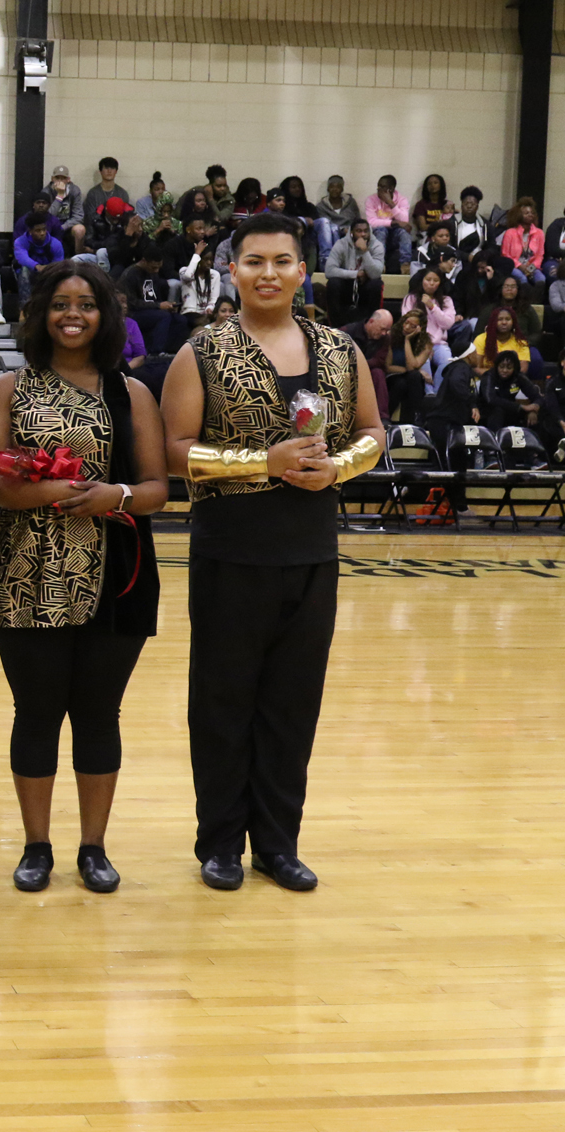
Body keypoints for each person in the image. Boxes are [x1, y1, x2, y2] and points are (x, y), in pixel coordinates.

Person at [160, 212, 385, 892]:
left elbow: (375, 430)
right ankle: (221, 842)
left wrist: (338, 469)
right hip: (232, 554)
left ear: (301, 270)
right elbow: (174, 454)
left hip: (312, 553)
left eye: (281, 261)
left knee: (294, 705)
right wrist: (263, 461)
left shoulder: (340, 351)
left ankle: (278, 843)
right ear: (232, 270)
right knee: (224, 704)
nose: (268, 273)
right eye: (254, 261)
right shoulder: (201, 351)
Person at [0, 261, 164, 893]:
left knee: (98, 713)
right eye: (60, 303)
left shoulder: (132, 393)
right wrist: (61, 491)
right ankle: (36, 846)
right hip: (25, 569)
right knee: (35, 711)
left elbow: (157, 489)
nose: (73, 314)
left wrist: (111, 496)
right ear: (39, 313)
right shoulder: (7, 388)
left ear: (105, 314)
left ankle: (94, 847)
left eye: (86, 303)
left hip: (118, 571)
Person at [117, 241, 184, 354]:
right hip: (134, 312)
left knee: (180, 319)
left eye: (158, 268)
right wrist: (158, 306)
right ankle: (155, 352)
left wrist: (167, 305)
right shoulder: (130, 275)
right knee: (163, 316)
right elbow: (132, 303)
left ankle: (172, 351)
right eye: (153, 267)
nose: (156, 271)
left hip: (151, 309)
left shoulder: (153, 273)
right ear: (144, 261)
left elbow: (154, 296)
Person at [402, 267, 457, 388]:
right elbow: (408, 323)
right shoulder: (410, 299)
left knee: (448, 364)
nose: (431, 283)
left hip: (439, 343)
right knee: (423, 361)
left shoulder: (446, 300)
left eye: (435, 280)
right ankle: (429, 394)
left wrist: (432, 307)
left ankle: (439, 394)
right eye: (428, 279)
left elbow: (448, 323)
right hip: (419, 342)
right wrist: (425, 344)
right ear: (422, 280)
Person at [323, 218, 384, 325]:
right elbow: (329, 271)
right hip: (347, 283)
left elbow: (375, 274)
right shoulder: (341, 244)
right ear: (351, 233)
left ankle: (372, 325)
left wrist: (365, 251)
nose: (363, 234)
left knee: (376, 284)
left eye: (365, 231)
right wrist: (355, 274)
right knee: (333, 283)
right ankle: (336, 327)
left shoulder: (377, 246)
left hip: (366, 284)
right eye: (359, 231)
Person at [383, 307, 433, 422]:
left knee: (414, 377)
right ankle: (386, 418)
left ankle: (415, 419)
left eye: (413, 326)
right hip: (393, 376)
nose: (406, 327)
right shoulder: (391, 336)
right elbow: (388, 367)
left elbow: (412, 367)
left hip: (411, 377)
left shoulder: (426, 342)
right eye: (406, 323)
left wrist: (407, 341)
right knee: (402, 383)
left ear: (420, 329)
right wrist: (407, 370)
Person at [13, 211, 65, 310]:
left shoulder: (55, 244)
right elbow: (22, 258)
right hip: (29, 273)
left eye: (44, 229)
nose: (42, 233)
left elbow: (59, 264)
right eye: (38, 230)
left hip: (49, 273)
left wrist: (48, 269)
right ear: (30, 231)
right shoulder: (20, 242)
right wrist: (37, 266)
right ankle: (25, 309)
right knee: (24, 270)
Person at [364, 175, 413, 274]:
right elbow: (371, 222)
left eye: (383, 187)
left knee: (404, 233)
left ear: (391, 189)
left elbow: (404, 220)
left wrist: (390, 203)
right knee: (381, 230)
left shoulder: (401, 200)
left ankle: (405, 264)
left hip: (395, 235)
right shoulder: (371, 199)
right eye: (378, 186)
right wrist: (394, 222)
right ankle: (379, 263)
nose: (379, 189)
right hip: (378, 233)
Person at [499, 197, 546, 288]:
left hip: (531, 267)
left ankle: (535, 301)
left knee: (541, 279)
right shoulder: (510, 233)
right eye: (526, 213)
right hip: (514, 266)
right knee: (522, 279)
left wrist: (531, 268)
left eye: (532, 213)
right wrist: (520, 266)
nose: (530, 215)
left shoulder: (539, 233)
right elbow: (505, 255)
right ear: (519, 215)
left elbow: (540, 255)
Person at [47, 165, 88, 253]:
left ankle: (78, 259)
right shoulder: (47, 192)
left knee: (80, 229)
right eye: (57, 178)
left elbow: (78, 216)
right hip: (51, 227)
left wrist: (62, 227)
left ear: (68, 180)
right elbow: (48, 216)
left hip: (68, 227)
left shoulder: (74, 191)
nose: (60, 181)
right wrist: (59, 196)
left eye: (63, 178)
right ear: (52, 179)